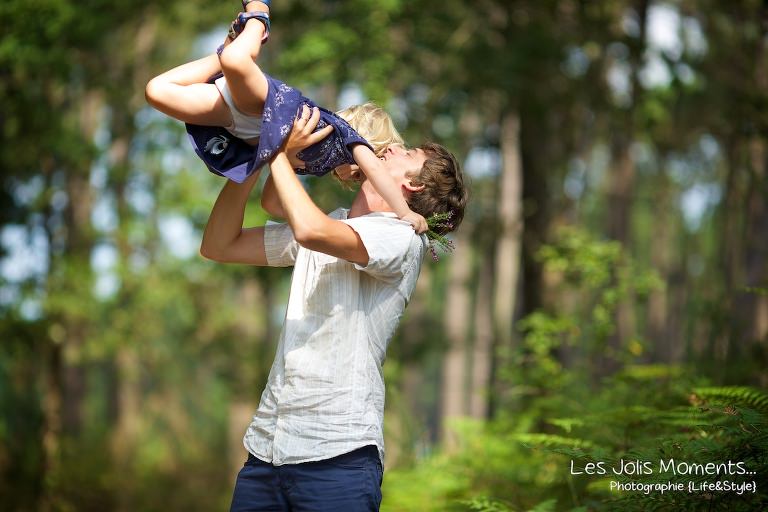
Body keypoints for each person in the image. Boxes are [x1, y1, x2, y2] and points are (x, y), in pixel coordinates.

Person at [199, 105, 467, 511]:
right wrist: (252, 159)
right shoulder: (335, 224)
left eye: (407, 153)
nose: (393, 148)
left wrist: (276, 149)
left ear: (411, 186)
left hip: (338, 455)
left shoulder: (402, 239)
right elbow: (219, 245)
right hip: (267, 450)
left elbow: (309, 229)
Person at [145, 0, 427, 233]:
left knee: (156, 91)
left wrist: (322, 222)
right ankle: (260, 14)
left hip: (243, 128)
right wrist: (404, 213)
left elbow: (271, 202)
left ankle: (227, 49)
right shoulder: (350, 140)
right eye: (356, 178)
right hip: (270, 108)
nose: (351, 181)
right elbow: (377, 172)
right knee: (236, 60)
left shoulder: (311, 163)